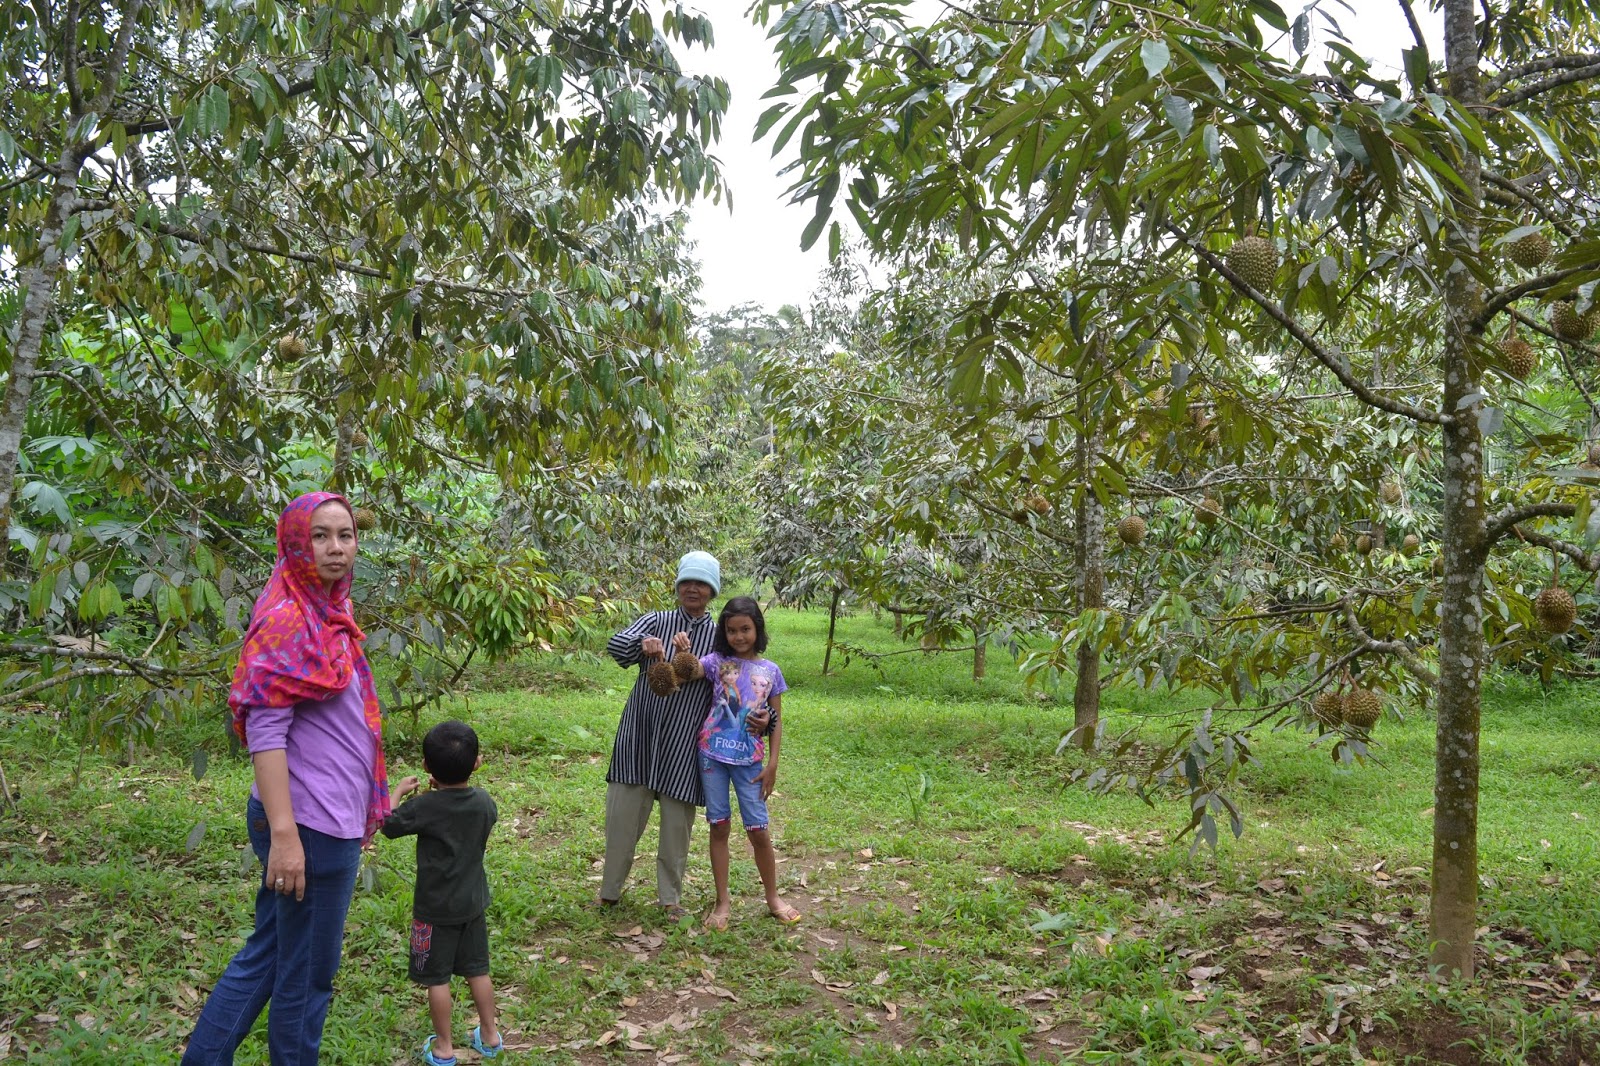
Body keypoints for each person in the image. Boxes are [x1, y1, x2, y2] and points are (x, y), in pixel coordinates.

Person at [183, 492, 391, 1065]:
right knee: (306, 978)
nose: (335, 548)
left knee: (271, 954)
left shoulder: (327, 613)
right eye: (320, 536)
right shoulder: (288, 620)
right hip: (308, 825)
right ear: (296, 543)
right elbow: (265, 732)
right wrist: (285, 836)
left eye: (345, 535)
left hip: (322, 817)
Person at [599, 550, 732, 919]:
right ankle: (609, 892)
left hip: (684, 744)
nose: (693, 589)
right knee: (622, 820)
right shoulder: (656, 620)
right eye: (687, 582)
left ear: (712, 590)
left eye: (702, 583)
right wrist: (643, 642)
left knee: (677, 828)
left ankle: (670, 899)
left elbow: (735, 681)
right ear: (677, 586)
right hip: (639, 738)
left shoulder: (719, 637)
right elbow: (616, 646)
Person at [671, 596, 800, 930]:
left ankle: (773, 897)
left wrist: (773, 764)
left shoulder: (771, 671)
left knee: (758, 830)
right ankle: (722, 901)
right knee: (719, 827)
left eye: (745, 629)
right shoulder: (716, 661)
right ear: (724, 632)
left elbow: (776, 721)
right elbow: (687, 672)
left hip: (750, 763)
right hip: (712, 755)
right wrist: (682, 652)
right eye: (732, 630)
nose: (739, 636)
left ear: (757, 629)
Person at [381, 720, 501, 1065]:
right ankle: (490, 1036)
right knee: (478, 970)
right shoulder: (484, 802)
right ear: (476, 763)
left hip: (434, 910)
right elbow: (475, 815)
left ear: (426, 766)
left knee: (437, 979)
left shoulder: (425, 807)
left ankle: (444, 1047)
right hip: (473, 903)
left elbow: (388, 824)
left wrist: (397, 792)